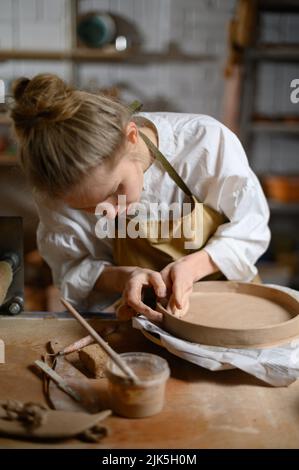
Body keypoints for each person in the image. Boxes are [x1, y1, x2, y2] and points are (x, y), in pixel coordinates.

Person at [11, 74, 270, 321]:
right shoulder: (53, 188)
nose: (110, 213)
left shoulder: (205, 144)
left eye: (114, 191)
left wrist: (193, 267)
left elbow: (251, 229)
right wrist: (127, 276)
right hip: (145, 315)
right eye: (88, 208)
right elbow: (73, 268)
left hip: (232, 306)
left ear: (131, 137)